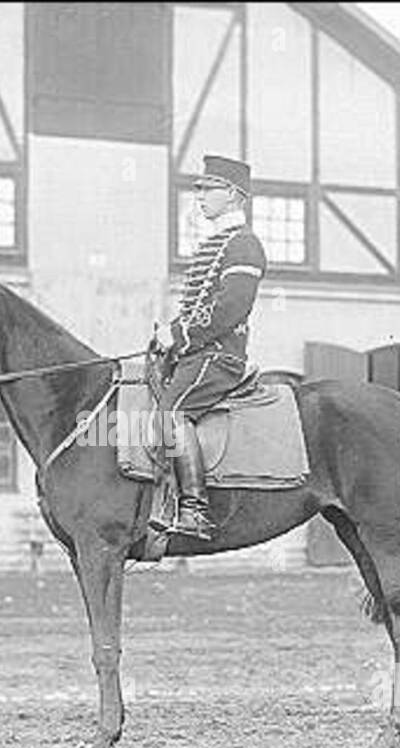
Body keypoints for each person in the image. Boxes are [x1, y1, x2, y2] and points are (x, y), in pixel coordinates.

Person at [149, 154, 268, 541]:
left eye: (207, 189)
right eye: (198, 189)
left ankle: (195, 510)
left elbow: (231, 306)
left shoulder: (244, 245)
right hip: (197, 353)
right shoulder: (218, 243)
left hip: (218, 356)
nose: (198, 196)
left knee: (170, 414)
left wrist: (179, 333)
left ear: (233, 195)